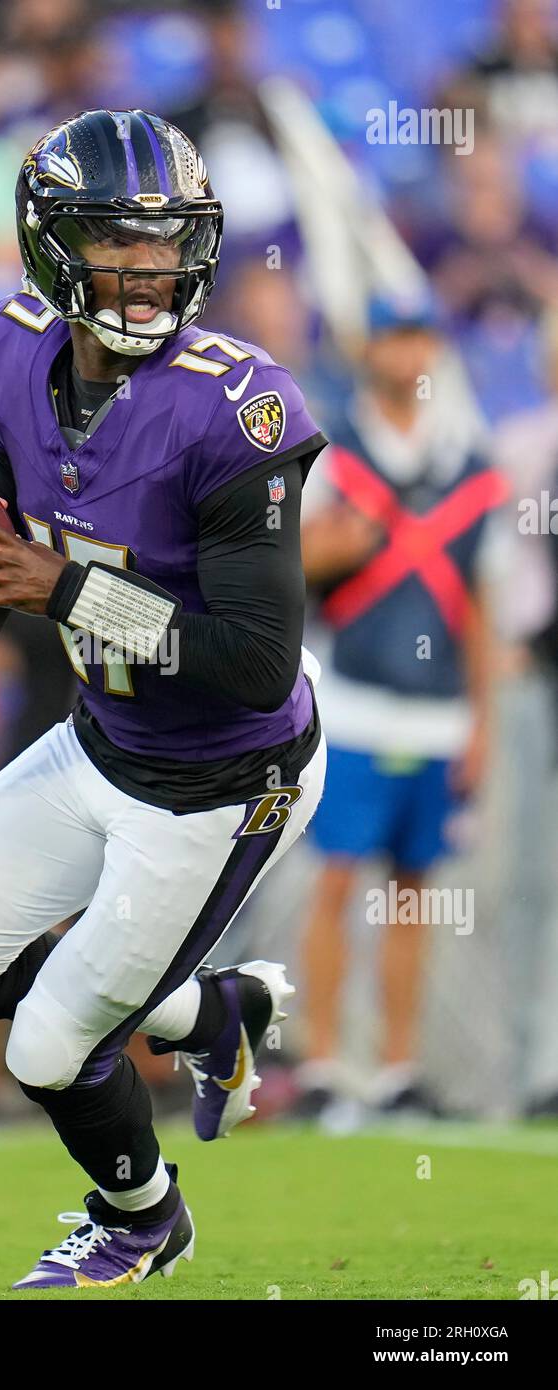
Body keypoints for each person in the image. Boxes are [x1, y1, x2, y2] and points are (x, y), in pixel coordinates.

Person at [0, 109, 327, 1290]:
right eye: (115, 240)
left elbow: (256, 662)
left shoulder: (236, 408)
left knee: (47, 1043)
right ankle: (207, 1013)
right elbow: (19, 525)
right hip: (101, 741)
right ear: (49, 245)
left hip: (225, 779)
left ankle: (140, 1216)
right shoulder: (8, 348)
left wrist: (61, 587)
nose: (148, 267)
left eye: (166, 242)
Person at [296, 297, 507, 1120]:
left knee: (413, 891)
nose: (408, 352)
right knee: (336, 881)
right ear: (368, 348)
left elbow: (483, 608)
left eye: (421, 335)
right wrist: (329, 551)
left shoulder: (469, 461)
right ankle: (320, 1066)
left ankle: (396, 1068)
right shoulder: (334, 453)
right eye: (394, 336)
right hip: (352, 700)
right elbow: (279, 565)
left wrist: (483, 723)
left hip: (439, 711)